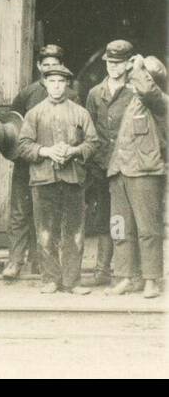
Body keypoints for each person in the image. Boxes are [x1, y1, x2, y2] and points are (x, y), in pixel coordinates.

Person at [16, 64, 99, 294]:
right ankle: (51, 279)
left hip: (73, 179)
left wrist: (73, 151)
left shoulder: (80, 113)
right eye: (52, 81)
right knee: (45, 231)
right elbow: (23, 146)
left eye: (61, 82)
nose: (56, 86)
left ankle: (72, 281)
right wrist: (46, 151)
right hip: (43, 179)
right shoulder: (34, 114)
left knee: (74, 232)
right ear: (45, 83)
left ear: (67, 84)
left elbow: (93, 143)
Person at [3, 44, 77, 280]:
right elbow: (12, 125)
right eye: (46, 66)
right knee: (20, 213)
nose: (51, 71)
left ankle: (41, 264)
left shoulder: (73, 97)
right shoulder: (27, 94)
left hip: (57, 167)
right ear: (39, 67)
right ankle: (15, 261)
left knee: (49, 216)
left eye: (55, 66)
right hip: (27, 164)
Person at [106, 54, 167, 299]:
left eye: (141, 76)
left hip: (144, 173)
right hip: (119, 172)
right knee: (119, 228)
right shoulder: (130, 102)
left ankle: (151, 280)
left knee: (147, 229)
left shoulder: (159, 102)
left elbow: (148, 90)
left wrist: (140, 65)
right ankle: (125, 277)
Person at [82, 40, 136, 286]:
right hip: (101, 166)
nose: (113, 67)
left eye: (119, 63)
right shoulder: (95, 93)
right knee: (104, 218)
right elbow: (88, 130)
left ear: (128, 64)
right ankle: (102, 271)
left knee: (125, 220)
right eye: (110, 63)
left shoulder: (135, 92)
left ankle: (129, 273)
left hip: (126, 165)